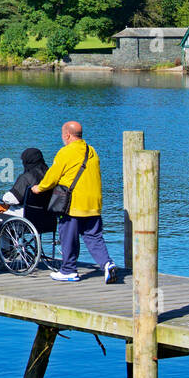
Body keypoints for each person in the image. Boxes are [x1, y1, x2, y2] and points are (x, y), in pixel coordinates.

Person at [31, 120, 118, 283]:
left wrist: (39, 188)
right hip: (94, 203)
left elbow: (52, 177)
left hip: (73, 204)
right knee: (94, 237)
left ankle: (68, 270)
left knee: (68, 235)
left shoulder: (65, 152)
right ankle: (107, 264)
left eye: (63, 135)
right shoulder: (91, 150)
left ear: (67, 135)